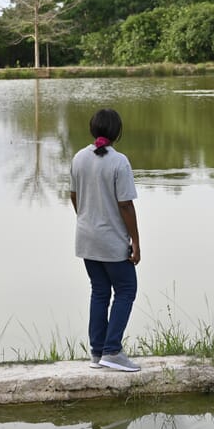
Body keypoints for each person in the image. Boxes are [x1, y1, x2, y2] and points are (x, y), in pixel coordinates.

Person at [69, 108, 141, 372]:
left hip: (86, 238)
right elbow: (125, 206)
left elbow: (73, 196)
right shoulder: (119, 162)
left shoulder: (78, 158)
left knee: (99, 292)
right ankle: (112, 350)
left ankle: (97, 353)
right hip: (111, 241)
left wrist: (87, 218)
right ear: (117, 133)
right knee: (126, 290)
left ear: (92, 129)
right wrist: (136, 241)